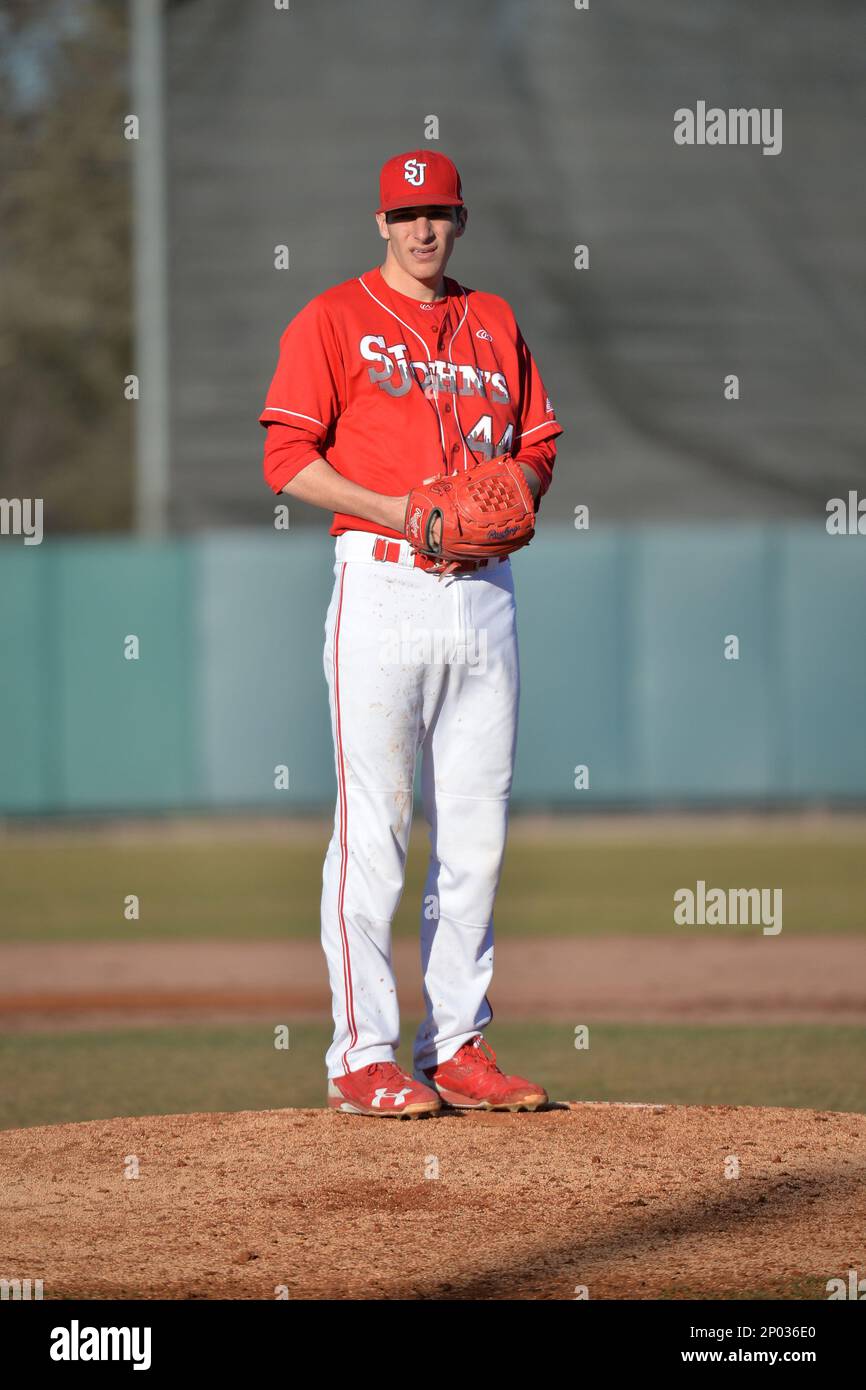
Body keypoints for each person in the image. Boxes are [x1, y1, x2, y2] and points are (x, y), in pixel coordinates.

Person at [259, 150, 563, 1118]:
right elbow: (284, 458)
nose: (423, 229)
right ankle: (361, 1051)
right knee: (376, 826)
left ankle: (459, 1042)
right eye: (406, 213)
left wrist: (512, 492)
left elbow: (538, 444)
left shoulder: (496, 322)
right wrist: (399, 511)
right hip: (383, 588)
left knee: (473, 833)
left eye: (439, 212)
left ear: (459, 220)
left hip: (484, 596)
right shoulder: (331, 320)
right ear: (380, 222)